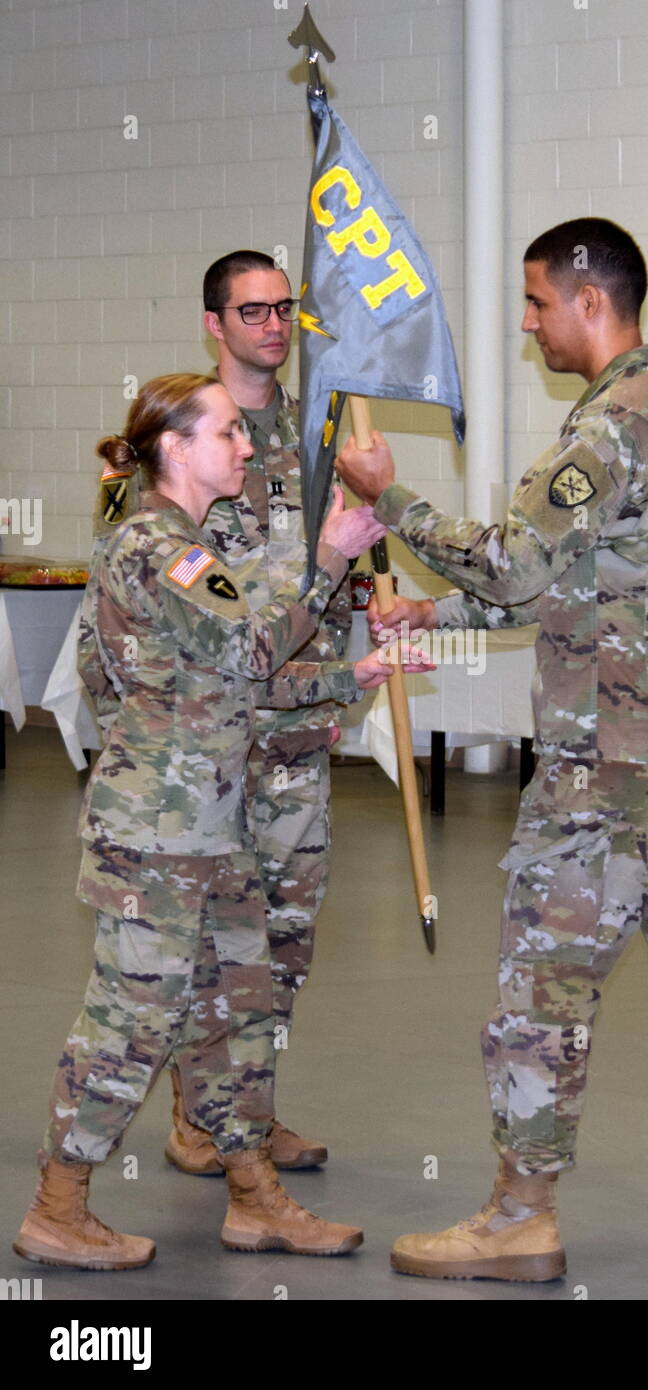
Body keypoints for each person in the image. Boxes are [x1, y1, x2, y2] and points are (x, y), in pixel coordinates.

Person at [336, 218, 648, 1283]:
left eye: (534, 303)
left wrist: (392, 499)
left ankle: (521, 1217)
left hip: (612, 770)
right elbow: (600, 586)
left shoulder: (605, 430)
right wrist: (441, 628)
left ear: (588, 299)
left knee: (542, 987)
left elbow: (514, 569)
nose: (528, 323)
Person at [13, 372, 414, 1270]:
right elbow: (253, 645)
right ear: (175, 449)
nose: (245, 447)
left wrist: (347, 682)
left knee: (237, 1012)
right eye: (228, 434)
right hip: (160, 837)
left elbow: (233, 678)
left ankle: (254, 1198)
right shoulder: (163, 549)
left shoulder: (186, 545)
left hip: (212, 825)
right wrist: (333, 558)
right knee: (132, 1021)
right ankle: (58, 1203)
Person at [83, 250, 360, 1178]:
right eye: (253, 311)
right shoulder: (178, 439)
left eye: (286, 308)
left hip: (292, 734)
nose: (274, 324)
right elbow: (113, 628)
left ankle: (250, 1112)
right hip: (202, 754)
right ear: (215, 323)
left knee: (273, 951)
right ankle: (197, 1122)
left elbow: (330, 580)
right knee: (192, 957)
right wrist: (155, 743)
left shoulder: (318, 439)